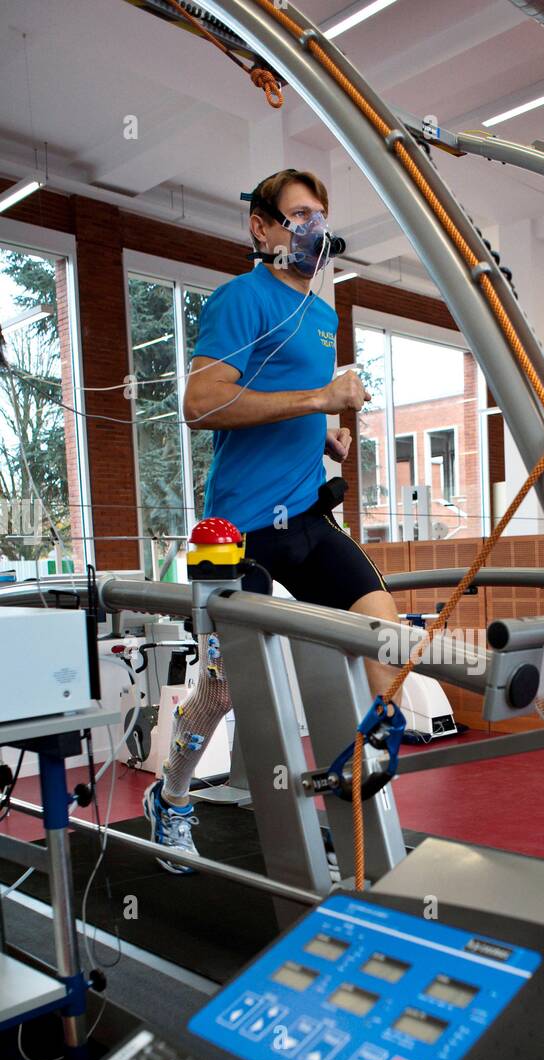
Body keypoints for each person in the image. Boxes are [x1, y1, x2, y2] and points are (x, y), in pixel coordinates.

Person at [143, 167, 400, 872]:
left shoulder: (320, 315)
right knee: (225, 690)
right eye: (298, 216)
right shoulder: (241, 299)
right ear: (261, 227)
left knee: (387, 635)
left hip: (307, 518)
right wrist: (319, 401)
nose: (313, 229)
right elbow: (201, 404)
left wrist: (324, 436)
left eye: (320, 216)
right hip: (239, 532)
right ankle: (172, 795)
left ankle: (363, 772)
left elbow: (281, 400)